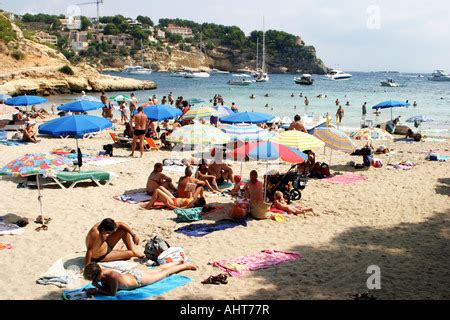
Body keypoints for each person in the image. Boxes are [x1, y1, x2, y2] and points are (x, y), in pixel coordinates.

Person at [83, 261, 198, 296]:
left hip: (139, 279)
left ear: (97, 275)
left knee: (163, 273)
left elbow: (112, 293)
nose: (94, 282)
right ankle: (178, 262)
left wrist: (97, 289)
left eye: (94, 279)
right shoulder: (101, 271)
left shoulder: (111, 276)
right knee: (157, 269)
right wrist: (97, 285)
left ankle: (186, 266)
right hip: (133, 274)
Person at [141, 185, 206, 210]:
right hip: (174, 198)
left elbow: (180, 209)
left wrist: (169, 205)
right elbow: (201, 188)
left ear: (198, 202)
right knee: (160, 187)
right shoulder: (193, 199)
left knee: (157, 191)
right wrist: (201, 195)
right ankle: (152, 201)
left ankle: (149, 206)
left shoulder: (191, 205)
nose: (198, 198)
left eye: (199, 199)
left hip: (173, 203)